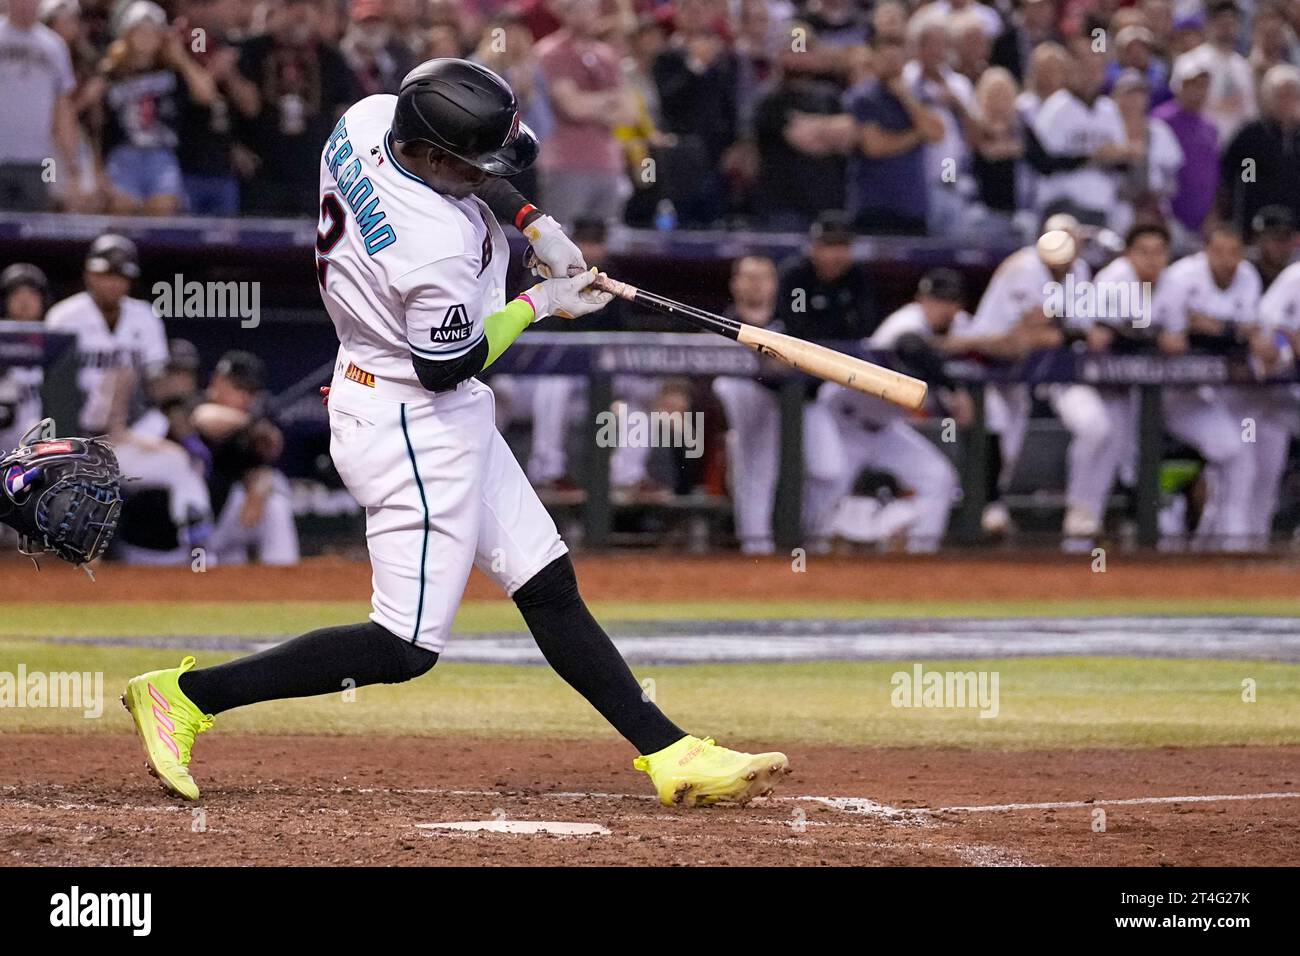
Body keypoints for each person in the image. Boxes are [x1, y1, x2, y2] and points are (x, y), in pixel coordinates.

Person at [122, 58, 789, 807]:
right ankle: (185, 696)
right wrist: (541, 302)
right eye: (473, 165)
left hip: (419, 397)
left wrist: (536, 222)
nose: (487, 176)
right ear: (433, 156)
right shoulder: (431, 246)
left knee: (545, 581)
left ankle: (670, 751)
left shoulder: (371, 117)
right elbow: (450, 363)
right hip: (410, 417)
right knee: (404, 647)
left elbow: (478, 173)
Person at [817, 269, 964, 552]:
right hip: (842, 421)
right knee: (825, 494)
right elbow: (910, 347)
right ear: (921, 300)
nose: (943, 309)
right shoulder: (906, 321)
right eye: (935, 301)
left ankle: (920, 559)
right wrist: (953, 389)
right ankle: (808, 567)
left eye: (949, 302)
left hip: (885, 429)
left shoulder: (957, 328)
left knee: (938, 477)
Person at [711, 255, 844, 554]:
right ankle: (756, 551)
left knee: (830, 471)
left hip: (800, 402)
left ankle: (812, 540)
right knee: (757, 472)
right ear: (734, 283)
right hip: (752, 398)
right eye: (748, 276)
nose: (756, 283)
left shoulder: (794, 319)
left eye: (763, 276)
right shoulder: (722, 322)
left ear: (775, 284)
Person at [1150, 225, 1263, 550]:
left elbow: (1250, 330)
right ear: (1205, 251)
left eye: (1234, 252)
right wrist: (1227, 330)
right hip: (1155, 387)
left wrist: (1217, 328)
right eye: (1220, 251)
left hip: (1196, 393)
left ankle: (1232, 542)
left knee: (1236, 451)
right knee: (1126, 460)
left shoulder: (1248, 276)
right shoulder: (1182, 276)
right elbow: (1179, 325)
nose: (1228, 260)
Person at [87, 1, 218, 215]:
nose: (146, 37)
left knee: (162, 210)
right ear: (126, 35)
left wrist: (181, 58)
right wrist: (98, 170)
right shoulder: (110, 74)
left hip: (161, 154)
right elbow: (95, 127)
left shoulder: (172, 71)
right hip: (122, 154)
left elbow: (207, 96)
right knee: (122, 210)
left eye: (152, 32)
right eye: (140, 31)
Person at [192, 351, 300, 565]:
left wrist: (258, 489)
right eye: (239, 388)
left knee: (275, 498)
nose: (245, 397)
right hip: (186, 538)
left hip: (228, 523)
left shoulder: (253, 426)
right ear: (217, 382)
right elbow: (202, 418)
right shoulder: (197, 403)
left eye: (251, 391)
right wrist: (253, 424)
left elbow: (266, 465)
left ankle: (285, 578)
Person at [843, 31, 944, 235]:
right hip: (873, 206)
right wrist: (917, 135)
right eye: (886, 58)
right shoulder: (863, 96)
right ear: (875, 59)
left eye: (897, 58)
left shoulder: (917, 94)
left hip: (913, 206)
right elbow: (875, 147)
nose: (892, 64)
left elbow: (937, 133)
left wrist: (906, 98)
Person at [0, 0, 81, 211]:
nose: (25, 6)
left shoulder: (54, 45)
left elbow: (63, 108)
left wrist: (72, 166)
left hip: (42, 161)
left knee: (36, 227)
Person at [1216, 64, 1300, 236]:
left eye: (1291, 96)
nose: (1285, 102)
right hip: (1257, 228)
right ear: (1266, 98)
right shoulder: (1251, 137)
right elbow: (1243, 180)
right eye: (1279, 96)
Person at [776, 211, 878, 341]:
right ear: (814, 248)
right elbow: (796, 322)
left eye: (844, 245)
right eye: (830, 245)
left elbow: (865, 323)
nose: (837, 254)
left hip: (847, 352)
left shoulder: (857, 278)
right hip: (802, 350)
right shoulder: (797, 278)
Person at [1152, 49, 1218, 237]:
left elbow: (1212, 174)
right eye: (1192, 84)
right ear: (1178, 84)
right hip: (1169, 216)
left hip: (1202, 221)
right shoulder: (1161, 120)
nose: (1198, 91)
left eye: (1203, 85)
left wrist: (1212, 214)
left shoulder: (1210, 126)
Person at [0, 264, 50, 455]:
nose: (24, 301)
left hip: (43, 452)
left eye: (32, 295)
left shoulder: (57, 343)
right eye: (17, 295)